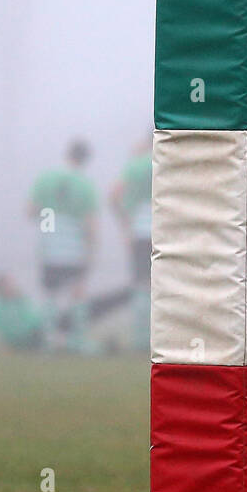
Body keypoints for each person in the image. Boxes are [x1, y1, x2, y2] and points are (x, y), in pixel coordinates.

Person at [29, 139, 98, 352]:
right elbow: (90, 223)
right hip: (74, 247)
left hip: (50, 245)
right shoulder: (85, 185)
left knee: (50, 294)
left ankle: (49, 341)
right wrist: (91, 251)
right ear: (85, 159)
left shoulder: (45, 179)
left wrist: (50, 219)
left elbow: (31, 210)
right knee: (77, 293)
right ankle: (77, 341)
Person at [0, 273, 130, 353]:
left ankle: (125, 294)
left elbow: (35, 317)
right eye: (9, 284)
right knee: (70, 343)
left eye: (12, 283)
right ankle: (105, 348)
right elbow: (13, 335)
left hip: (46, 327)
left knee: (86, 310)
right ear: (0, 288)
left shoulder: (21, 301)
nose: (14, 286)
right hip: (37, 336)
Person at [108, 137, 153, 350]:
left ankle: (140, 339)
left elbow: (113, 195)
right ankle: (159, 338)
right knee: (162, 286)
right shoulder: (170, 162)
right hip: (166, 232)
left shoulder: (135, 164)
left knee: (140, 284)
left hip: (140, 232)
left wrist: (125, 221)